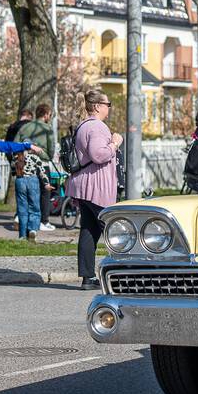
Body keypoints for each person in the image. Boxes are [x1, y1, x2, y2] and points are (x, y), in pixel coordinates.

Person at [66, 89, 122, 290]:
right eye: (108, 104)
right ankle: (126, 271)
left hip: (84, 186)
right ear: (98, 106)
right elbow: (99, 155)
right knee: (117, 229)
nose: (109, 108)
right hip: (95, 187)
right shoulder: (97, 127)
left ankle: (87, 278)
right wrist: (115, 143)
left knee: (89, 231)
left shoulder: (84, 126)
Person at [17, 104, 57, 230]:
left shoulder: (25, 127)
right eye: (50, 115)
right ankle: (43, 221)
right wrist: (46, 155)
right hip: (42, 164)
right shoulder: (47, 128)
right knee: (45, 193)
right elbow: (51, 149)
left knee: (26, 192)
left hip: (25, 163)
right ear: (46, 114)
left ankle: (20, 217)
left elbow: (16, 142)